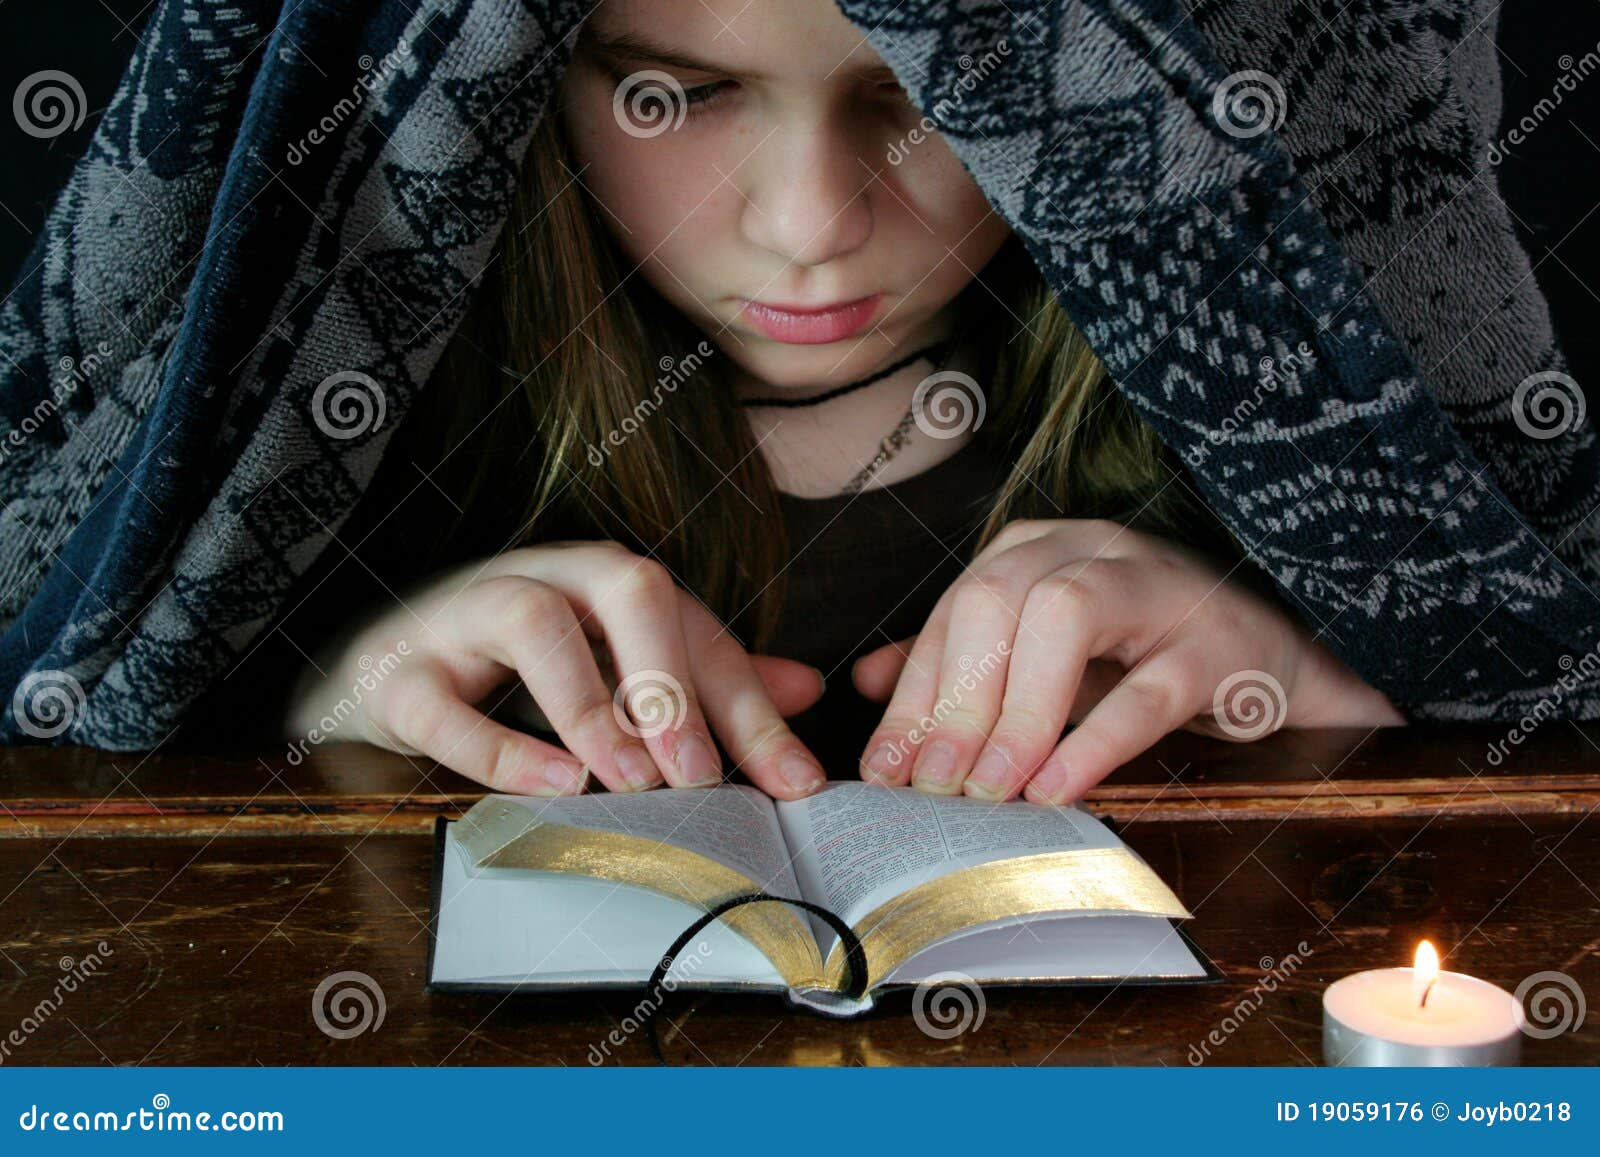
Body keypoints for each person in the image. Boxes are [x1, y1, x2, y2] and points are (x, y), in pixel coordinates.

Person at [282, 0, 1403, 805]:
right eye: (683, 93)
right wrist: (346, 698)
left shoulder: (1254, 402)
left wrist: (1299, 679)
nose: (811, 226)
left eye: (924, 96)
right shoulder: (397, 413)